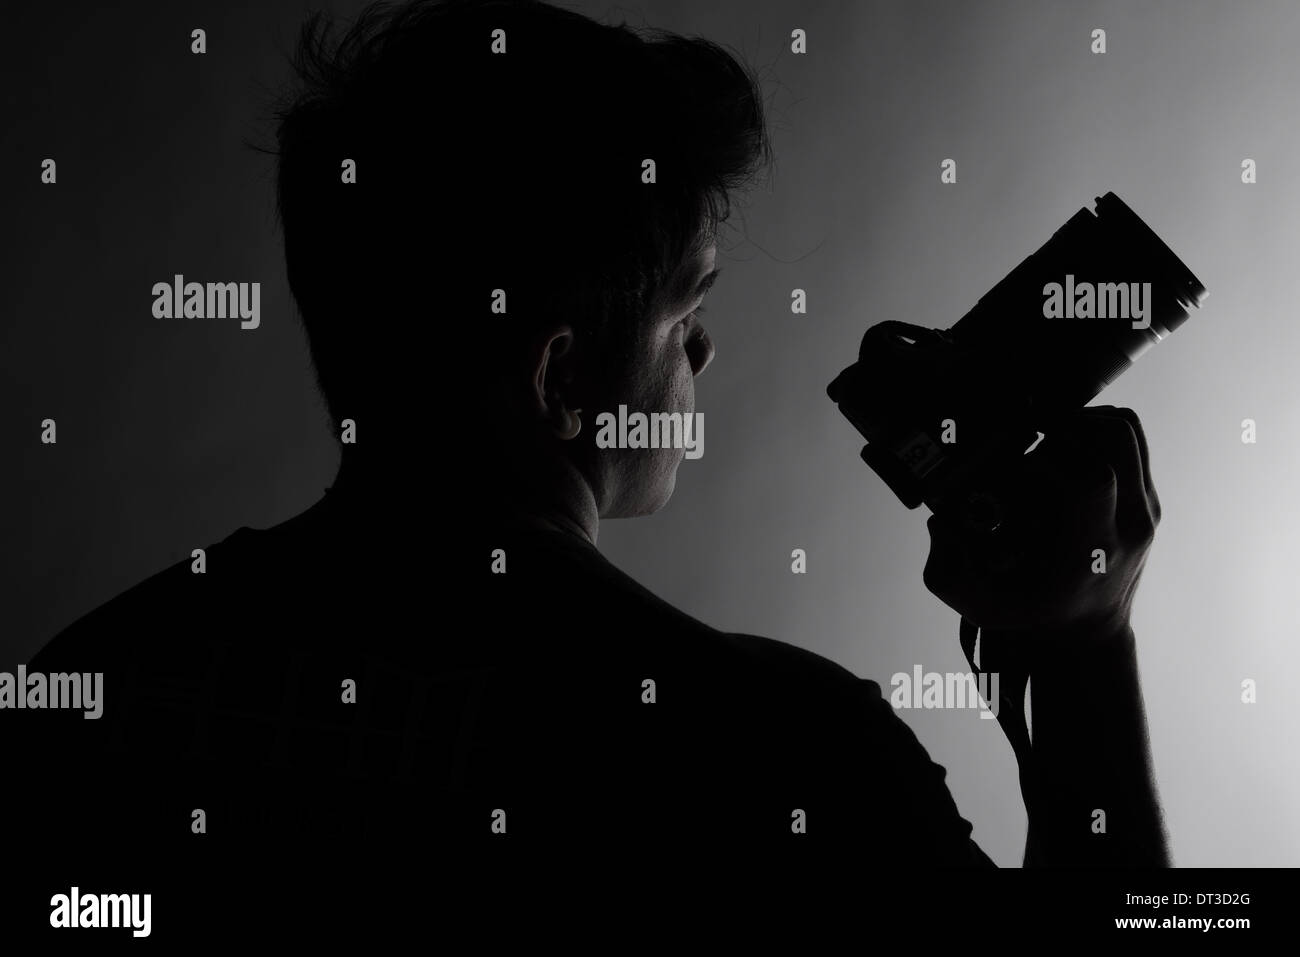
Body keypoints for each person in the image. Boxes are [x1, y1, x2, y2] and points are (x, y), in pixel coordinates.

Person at [16, 0, 1167, 870]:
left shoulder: (90, 684)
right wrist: (1084, 649)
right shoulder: (781, 754)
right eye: (688, 310)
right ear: (563, 379)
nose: (703, 356)